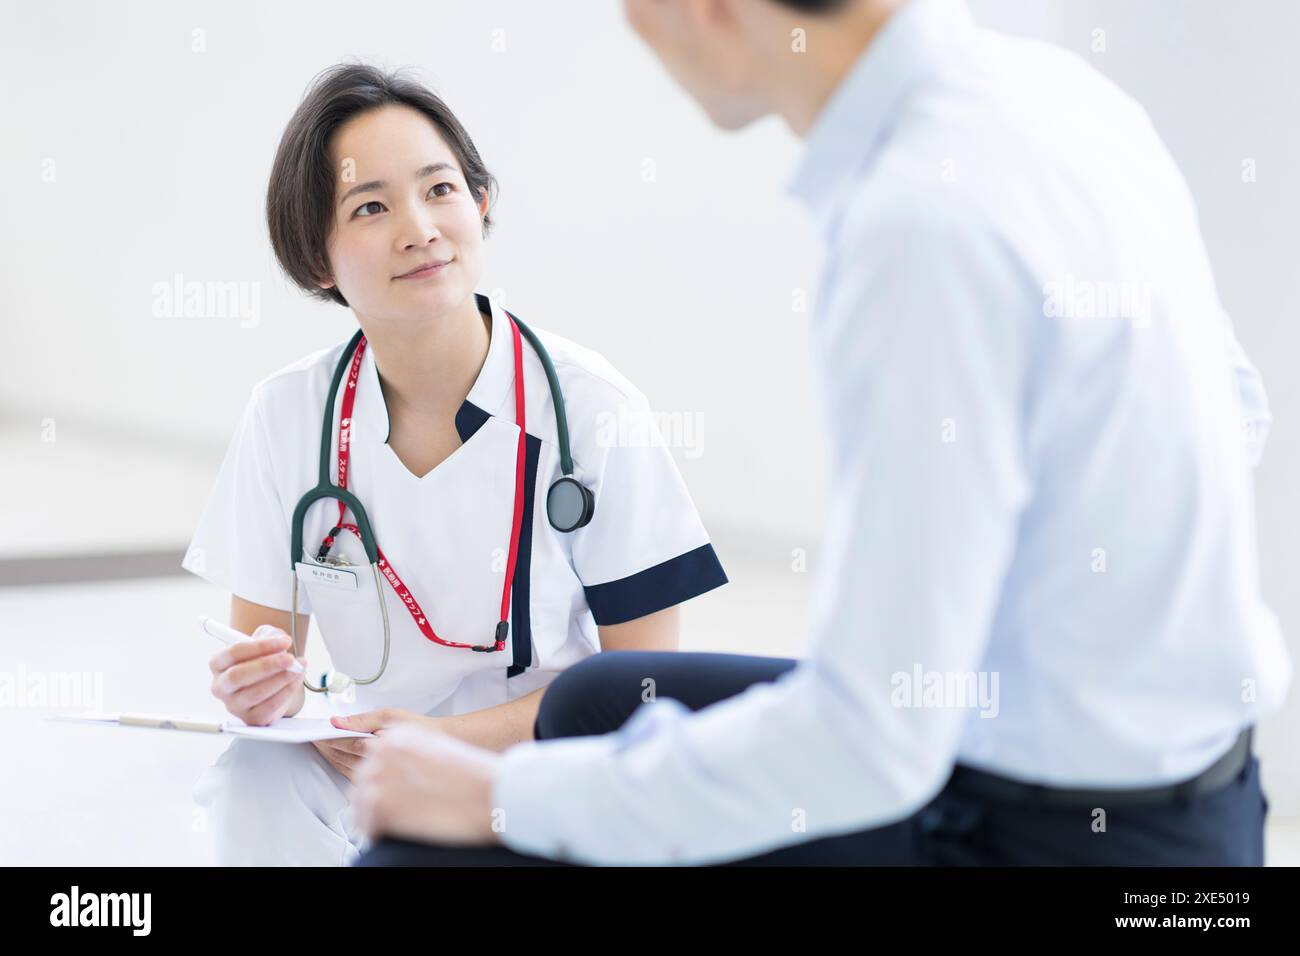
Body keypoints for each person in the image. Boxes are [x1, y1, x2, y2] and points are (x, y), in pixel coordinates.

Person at [352, 0, 1290, 866]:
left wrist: (512, 798)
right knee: (596, 698)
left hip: (1068, 842)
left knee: (424, 851)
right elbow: (1235, 407)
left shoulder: (918, 227)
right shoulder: (1060, 97)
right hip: (1176, 778)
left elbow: (869, 741)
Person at [182, 62, 728, 866]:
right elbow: (271, 667)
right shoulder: (287, 416)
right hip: (373, 756)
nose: (419, 228)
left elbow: (644, 685)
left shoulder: (593, 410)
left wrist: (442, 743)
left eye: (440, 190)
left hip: (546, 764)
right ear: (316, 260)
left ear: (480, 204)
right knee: (250, 777)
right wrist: (263, 693)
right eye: (371, 206)